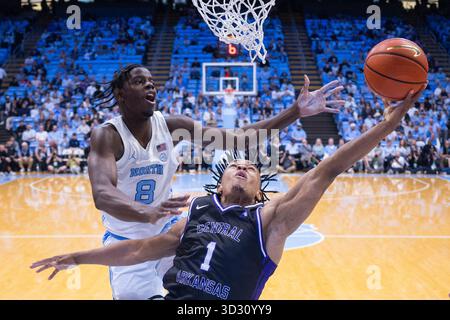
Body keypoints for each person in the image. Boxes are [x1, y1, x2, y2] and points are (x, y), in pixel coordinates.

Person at [31, 86, 424, 301]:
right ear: (217, 182)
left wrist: (387, 126)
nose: (243, 167)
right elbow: (138, 251)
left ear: (258, 191)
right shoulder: (198, 211)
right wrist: (77, 257)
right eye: (237, 165)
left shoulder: (272, 219)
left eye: (252, 169)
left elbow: (329, 169)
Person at [76, 64, 344, 300]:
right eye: (139, 81)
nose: (149, 85)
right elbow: (102, 194)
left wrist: (294, 112)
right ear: (121, 95)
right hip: (126, 238)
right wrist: (147, 213)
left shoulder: (172, 127)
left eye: (152, 82)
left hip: (171, 234)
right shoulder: (107, 136)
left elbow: (237, 139)